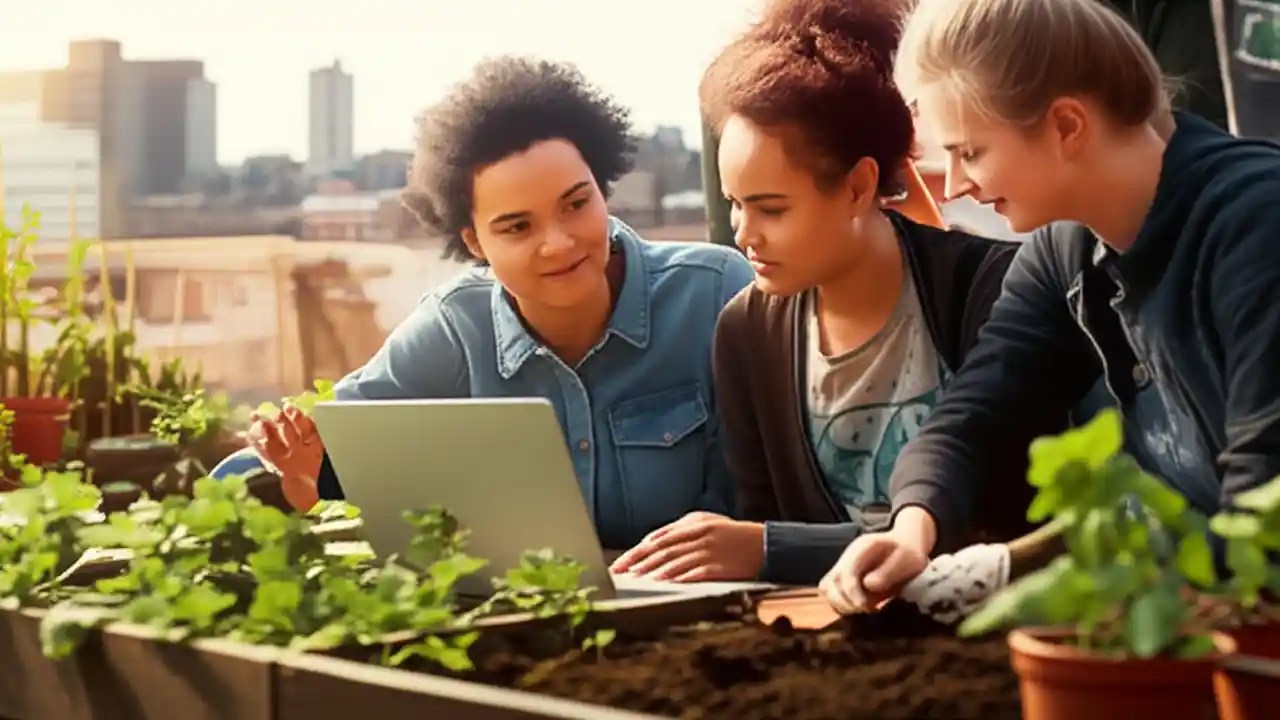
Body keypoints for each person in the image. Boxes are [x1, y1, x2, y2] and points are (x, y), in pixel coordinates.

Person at [820, 0, 1280, 615]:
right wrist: (911, 528)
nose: (954, 186)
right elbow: (979, 410)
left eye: (970, 152)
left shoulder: (1257, 226)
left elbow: (1264, 510)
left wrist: (1023, 570)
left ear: (1066, 125)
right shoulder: (1067, 246)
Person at [214, 56, 755, 552]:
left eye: (576, 203)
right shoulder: (453, 329)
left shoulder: (713, 292)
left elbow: (787, 490)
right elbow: (261, 471)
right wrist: (295, 471)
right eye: (517, 226)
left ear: (602, 186)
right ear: (474, 242)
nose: (559, 243)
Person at [610, 0, 1059, 585]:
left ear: (858, 185)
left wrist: (774, 548)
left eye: (771, 208)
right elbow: (766, 525)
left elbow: (1006, 525)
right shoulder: (747, 333)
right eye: (735, 205)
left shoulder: (991, 289)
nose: (745, 233)